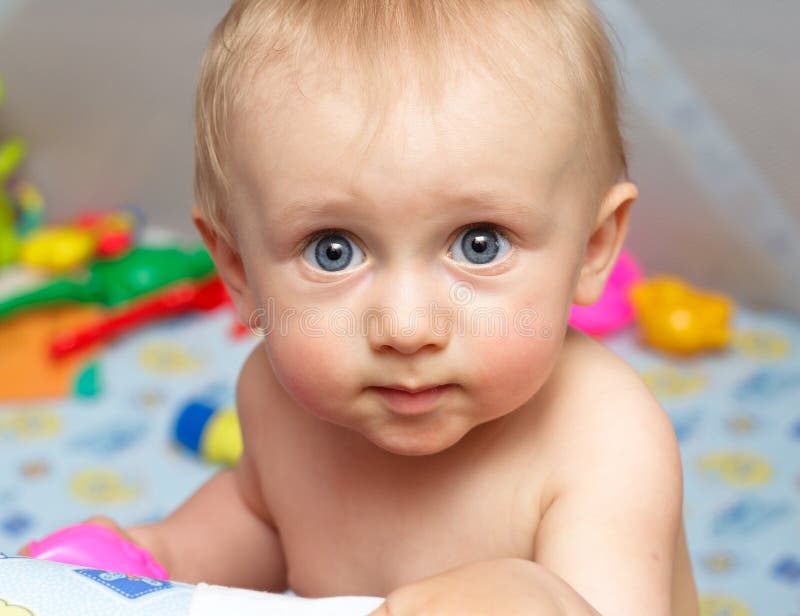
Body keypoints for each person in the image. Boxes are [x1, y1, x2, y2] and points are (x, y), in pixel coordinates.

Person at [25, 1, 699, 613]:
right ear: (237, 269)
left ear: (592, 247)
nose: (406, 328)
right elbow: (261, 523)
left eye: (480, 243)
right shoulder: (278, 396)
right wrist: (151, 563)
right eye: (333, 250)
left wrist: (532, 600)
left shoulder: (604, 439)